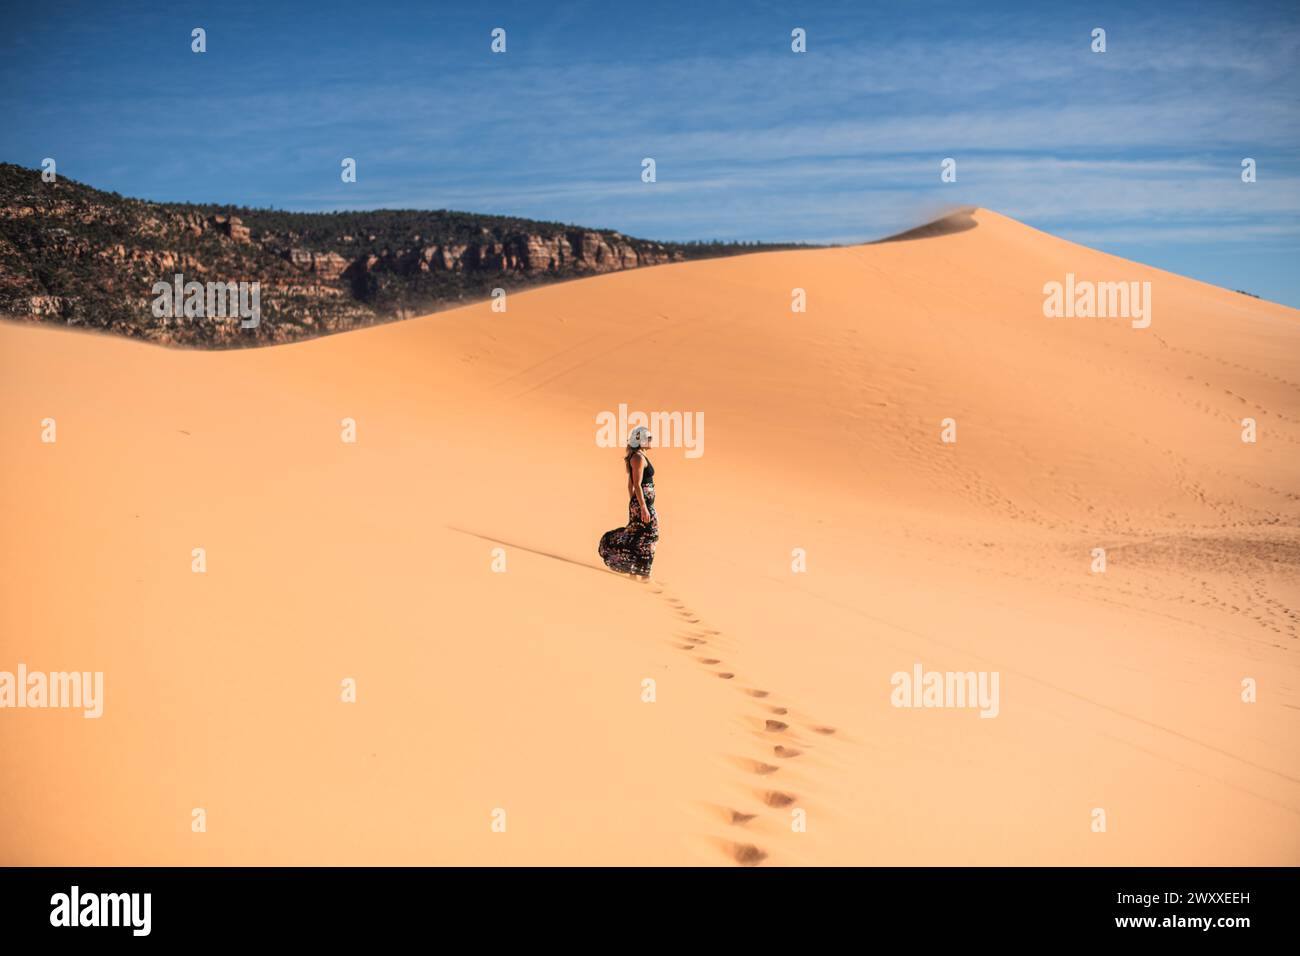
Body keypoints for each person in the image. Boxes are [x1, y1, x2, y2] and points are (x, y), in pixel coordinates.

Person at [598, 427, 659, 578]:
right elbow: (635, 484)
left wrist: (635, 503)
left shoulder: (640, 456)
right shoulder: (637, 457)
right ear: (640, 440)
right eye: (649, 438)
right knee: (651, 535)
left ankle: (635, 572)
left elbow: (631, 485)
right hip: (643, 505)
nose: (651, 440)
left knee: (640, 536)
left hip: (641, 504)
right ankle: (643, 574)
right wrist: (641, 507)